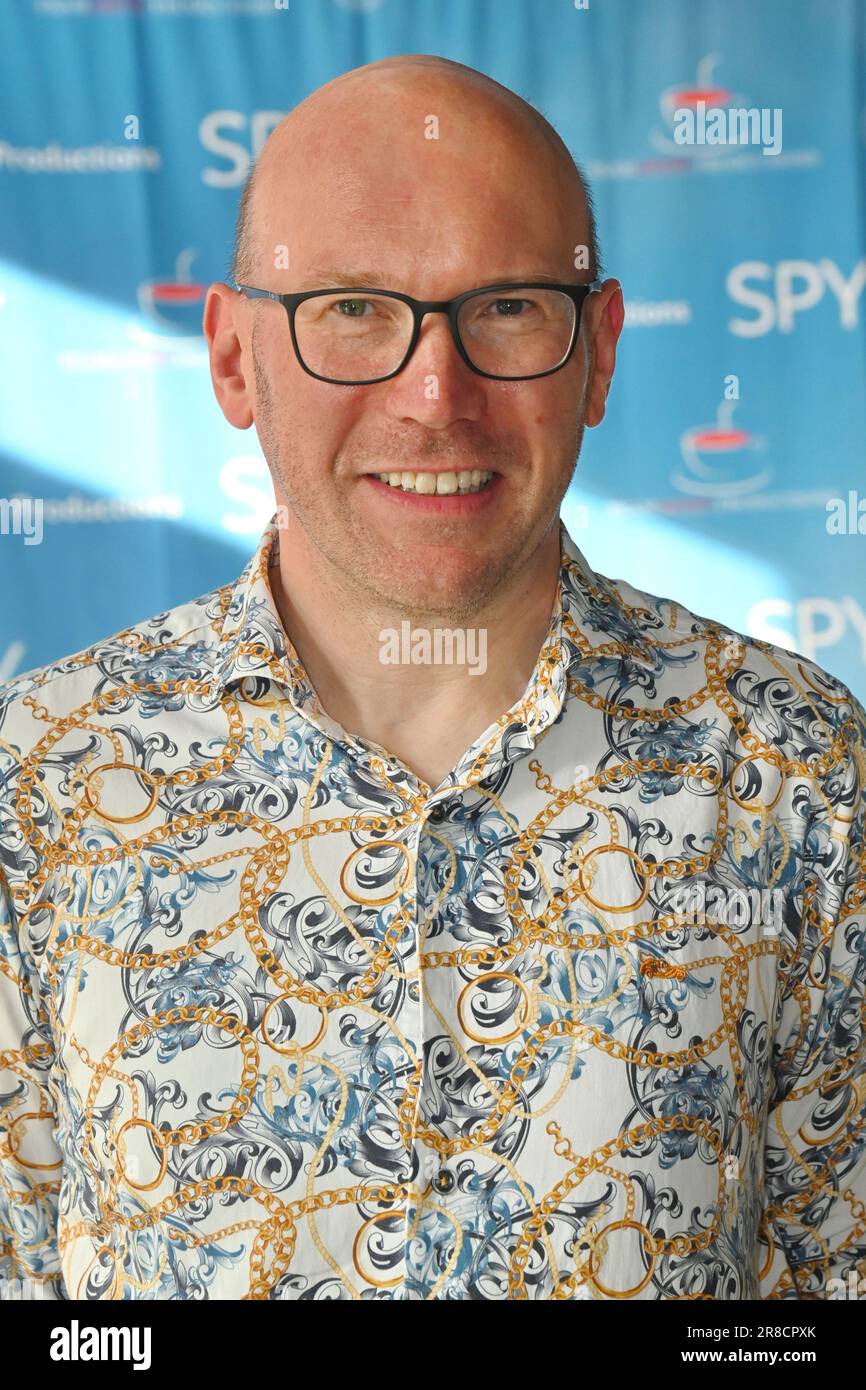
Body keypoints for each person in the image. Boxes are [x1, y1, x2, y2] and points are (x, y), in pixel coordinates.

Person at [1, 54, 864, 1303]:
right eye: (352, 307)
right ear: (234, 358)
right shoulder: (42, 787)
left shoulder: (800, 775)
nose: (432, 395)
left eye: (506, 306)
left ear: (599, 351)